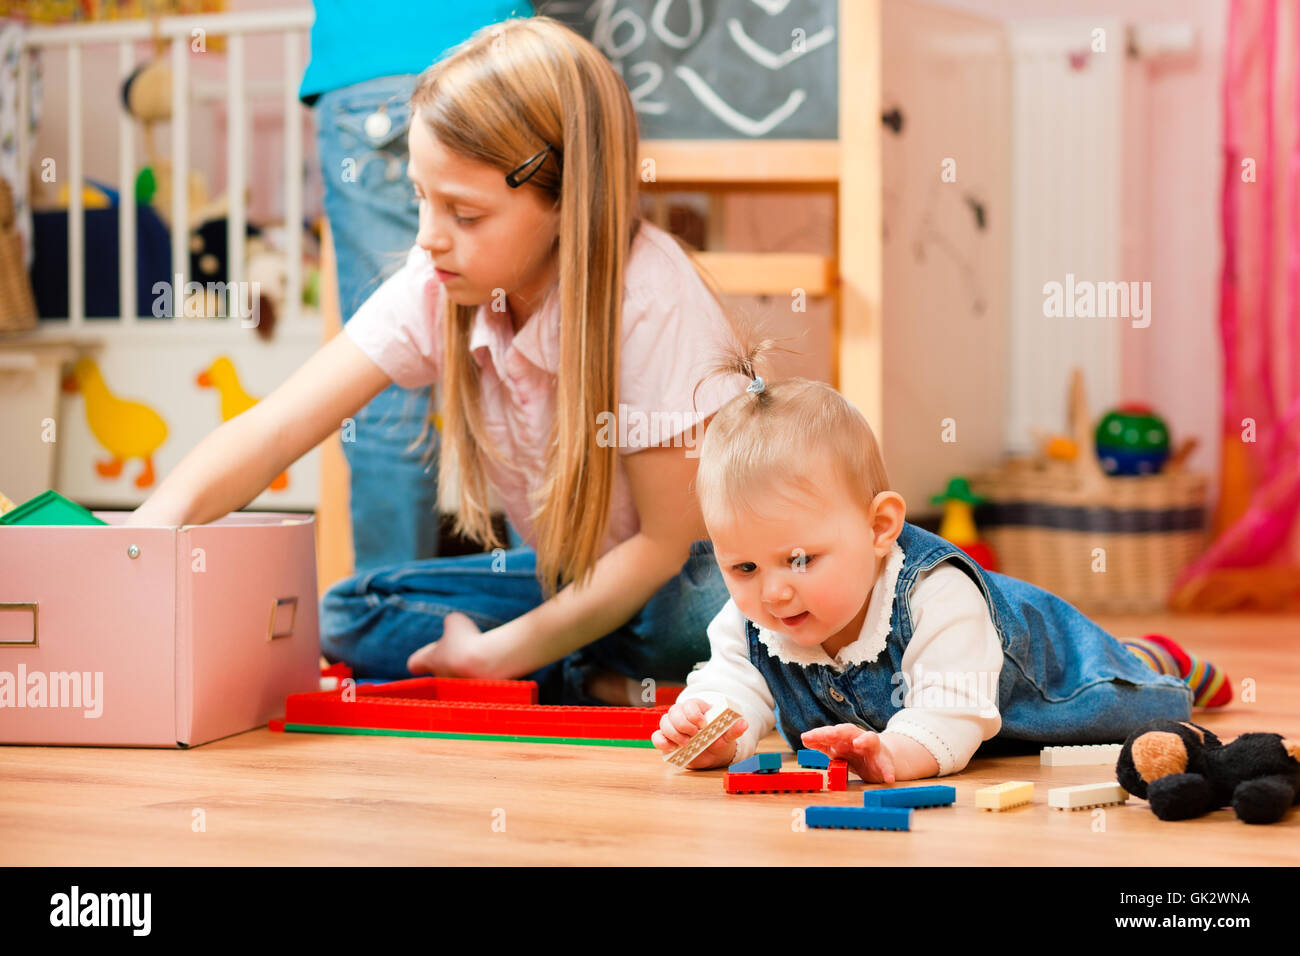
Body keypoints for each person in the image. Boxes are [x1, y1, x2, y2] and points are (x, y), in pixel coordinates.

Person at [129, 16, 749, 707]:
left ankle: (579, 672)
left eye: (465, 213)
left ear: (566, 199)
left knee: (701, 614)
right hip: (575, 583)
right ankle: (593, 679)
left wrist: (499, 652)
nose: (428, 238)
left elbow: (665, 549)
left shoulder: (650, 302)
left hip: (678, 585)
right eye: (421, 199)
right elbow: (274, 428)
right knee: (348, 610)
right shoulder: (439, 283)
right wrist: (139, 541)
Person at [651, 338, 1231, 780]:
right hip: (954, 691)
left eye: (799, 559)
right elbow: (736, 682)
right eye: (744, 568)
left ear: (880, 528)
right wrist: (714, 726)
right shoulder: (754, 617)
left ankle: (1155, 657)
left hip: (1045, 676)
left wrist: (896, 755)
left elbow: (952, 711)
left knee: (1137, 704)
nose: (772, 593)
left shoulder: (937, 596)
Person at [301, 0, 534, 570]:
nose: (433, 240)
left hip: (371, 63)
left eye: (463, 214)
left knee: (381, 395)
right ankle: (560, 604)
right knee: (537, 359)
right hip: (501, 58)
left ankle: (385, 602)